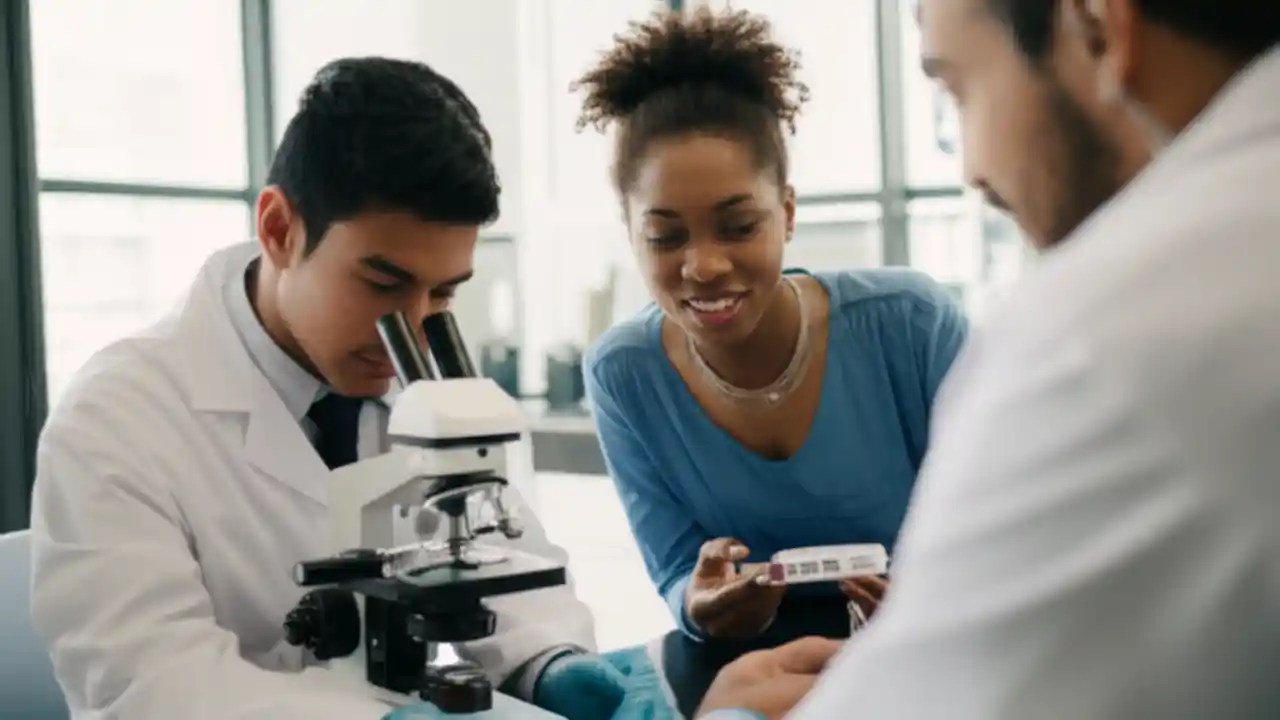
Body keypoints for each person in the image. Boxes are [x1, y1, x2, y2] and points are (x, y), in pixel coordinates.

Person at [695, 0, 1280, 718]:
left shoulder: (1107, 337)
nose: (975, 170)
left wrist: (731, 715)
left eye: (959, 88)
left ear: (1098, 26)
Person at [29, 57, 629, 720]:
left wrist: (547, 662)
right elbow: (152, 688)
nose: (416, 329)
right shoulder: (118, 419)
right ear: (280, 230)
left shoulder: (425, 394)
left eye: (446, 291)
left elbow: (503, 567)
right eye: (382, 284)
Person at [574, 5, 966, 666]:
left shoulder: (910, 323)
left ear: (786, 212)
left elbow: (1009, 526)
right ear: (631, 232)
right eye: (666, 236)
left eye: (737, 226)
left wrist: (934, 598)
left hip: (941, 649)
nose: (702, 265)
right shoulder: (624, 372)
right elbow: (675, 571)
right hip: (750, 664)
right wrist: (702, 609)